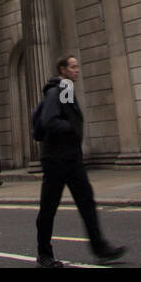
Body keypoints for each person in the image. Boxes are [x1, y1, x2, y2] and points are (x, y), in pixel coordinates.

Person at [34, 55, 125, 267]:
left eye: (77, 66)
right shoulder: (56, 91)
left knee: (86, 202)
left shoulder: (65, 90)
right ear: (63, 70)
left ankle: (100, 247)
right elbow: (50, 122)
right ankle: (44, 254)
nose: (77, 70)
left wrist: (72, 131)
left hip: (71, 158)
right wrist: (72, 130)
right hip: (56, 159)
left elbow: (68, 117)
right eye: (73, 67)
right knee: (49, 208)